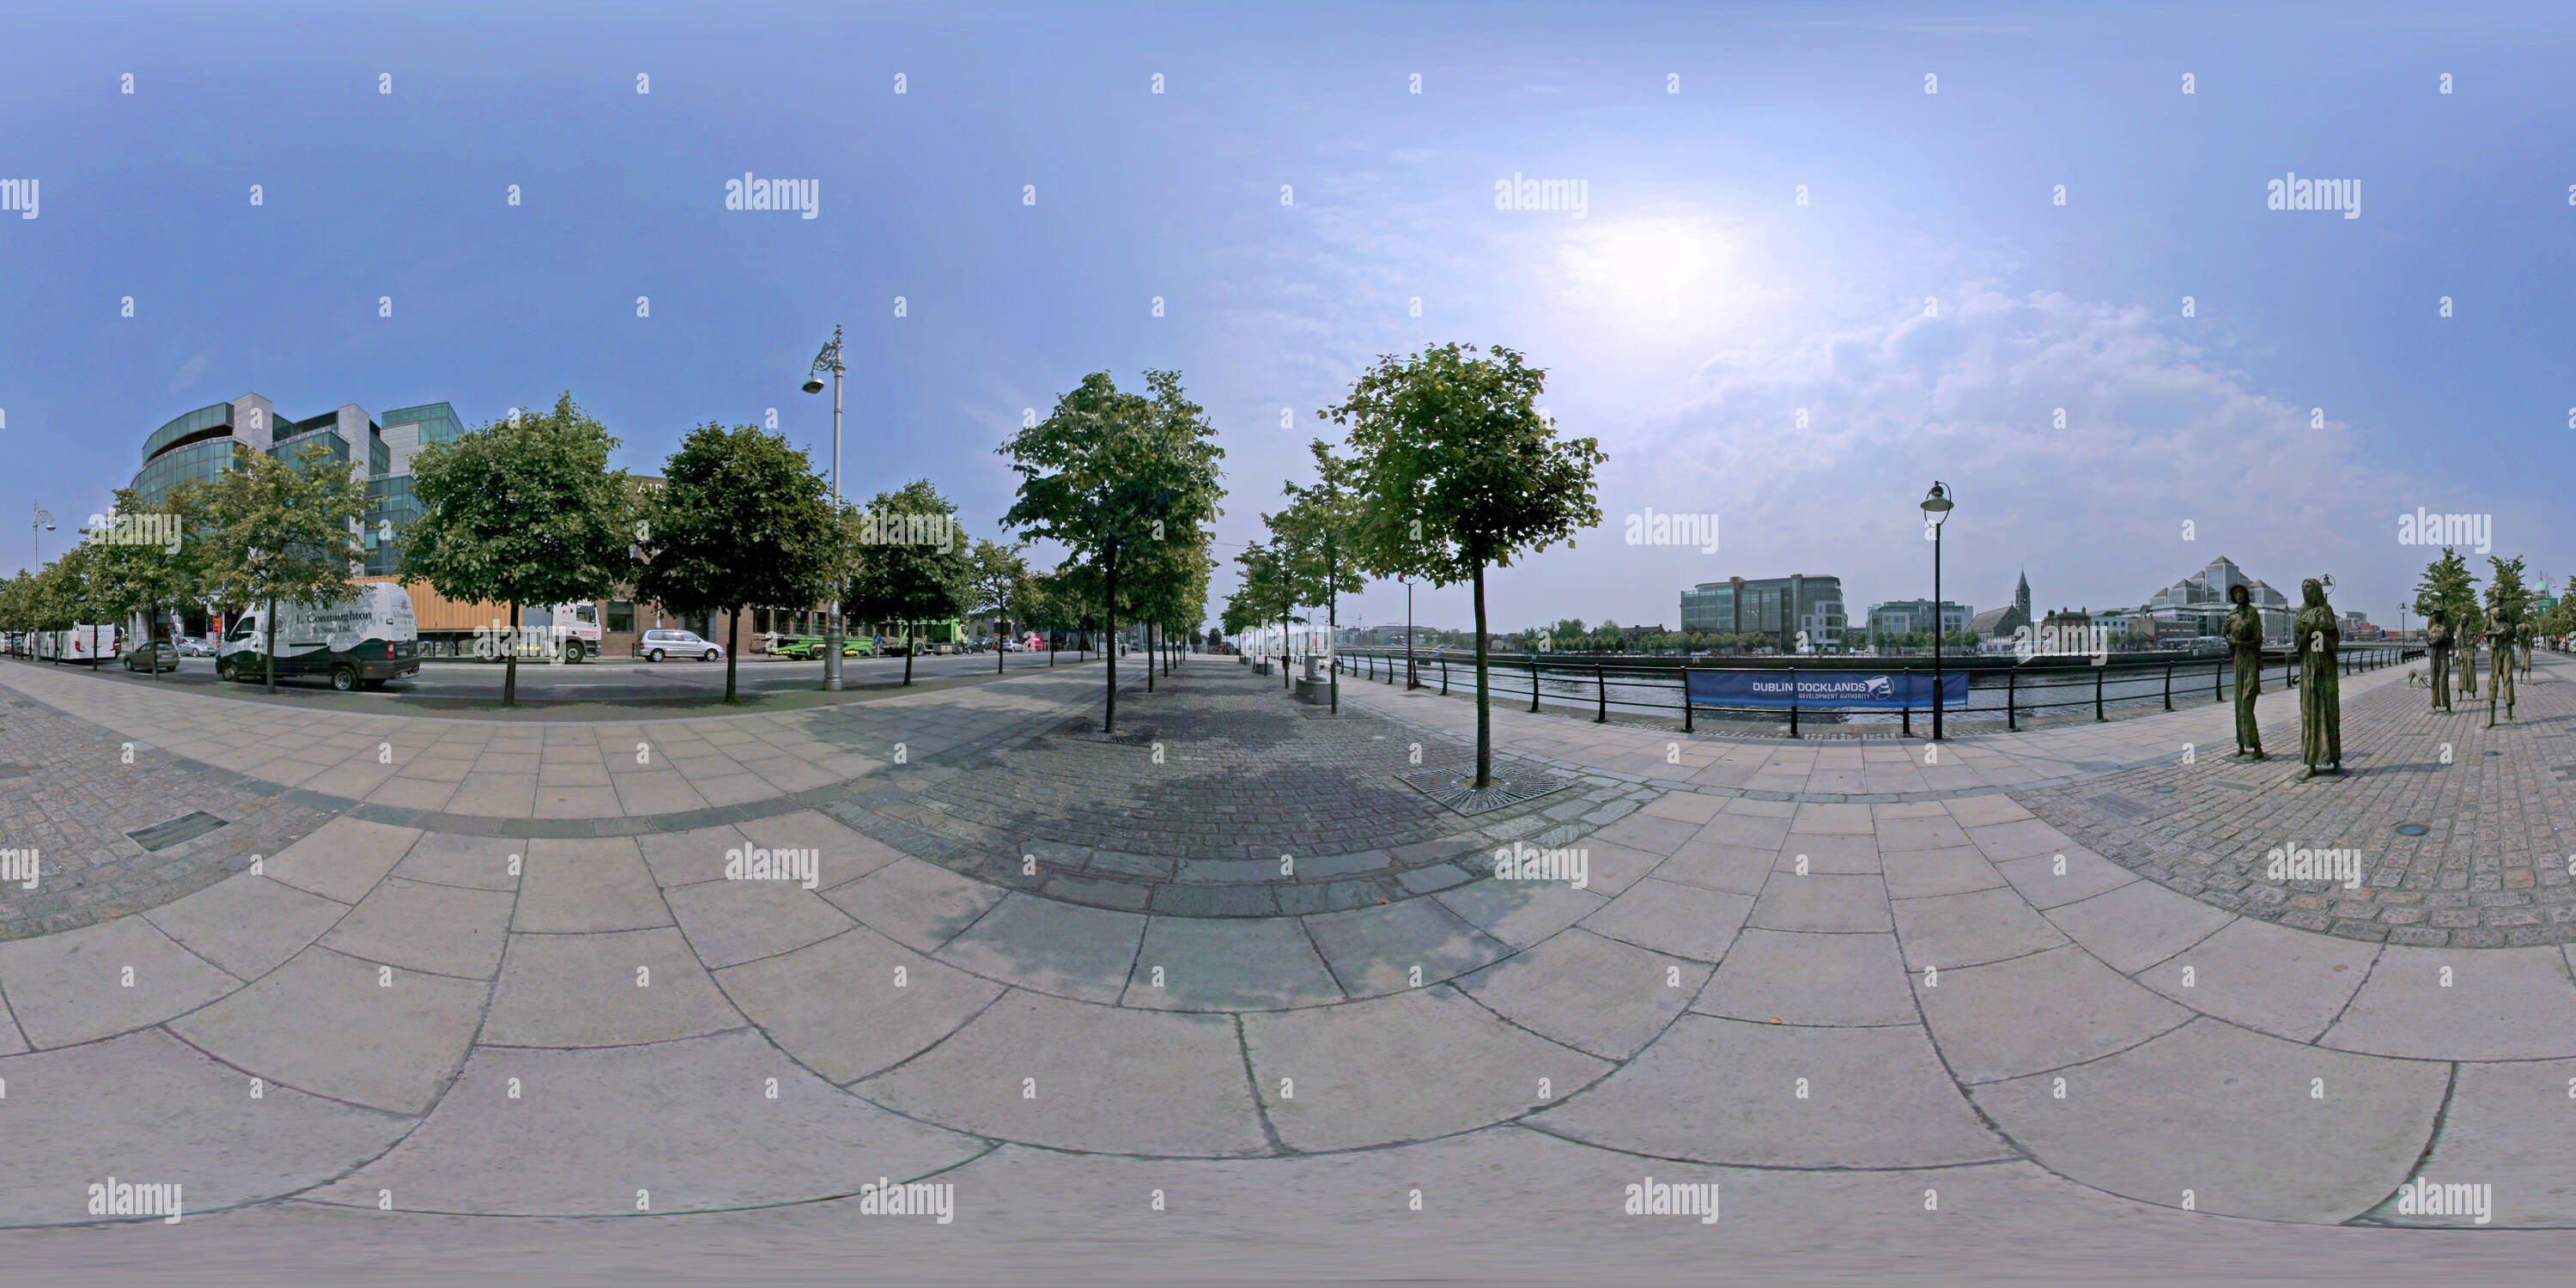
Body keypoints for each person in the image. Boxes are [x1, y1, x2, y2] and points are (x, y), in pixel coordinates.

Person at [2293, 578, 2342, 780]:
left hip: (2326, 667)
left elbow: (2332, 640)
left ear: (2317, 591)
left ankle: (2335, 758)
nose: (2306, 593)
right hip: (2309, 668)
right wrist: (2308, 629)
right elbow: (2299, 645)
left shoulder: (2326, 610)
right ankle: (2311, 762)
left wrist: (2319, 630)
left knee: (2330, 711)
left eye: (2309, 589)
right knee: (2310, 713)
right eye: (2303, 589)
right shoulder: (2301, 612)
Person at [2224, 582, 2266, 758]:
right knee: (2238, 704)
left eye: (2242, 592)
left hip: (2250, 660)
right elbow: (2227, 636)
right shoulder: (2231, 614)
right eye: (2236, 593)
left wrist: (2238, 642)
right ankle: (2241, 744)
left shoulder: (2252, 613)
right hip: (2238, 661)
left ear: (2246, 594)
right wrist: (2227, 638)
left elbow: (2258, 641)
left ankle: (2256, 746)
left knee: (2246, 704)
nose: (2239, 595)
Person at [2424, 607, 2452, 712]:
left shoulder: (2446, 620)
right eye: (2435, 613)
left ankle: (2447, 704)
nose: (2436, 615)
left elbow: (2450, 638)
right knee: (2434, 678)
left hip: (2443, 651)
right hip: (2434, 652)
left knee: (2444, 678)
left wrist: (2443, 638)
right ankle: (2434, 704)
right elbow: (2428, 638)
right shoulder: (2431, 620)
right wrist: (2432, 641)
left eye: (2438, 613)